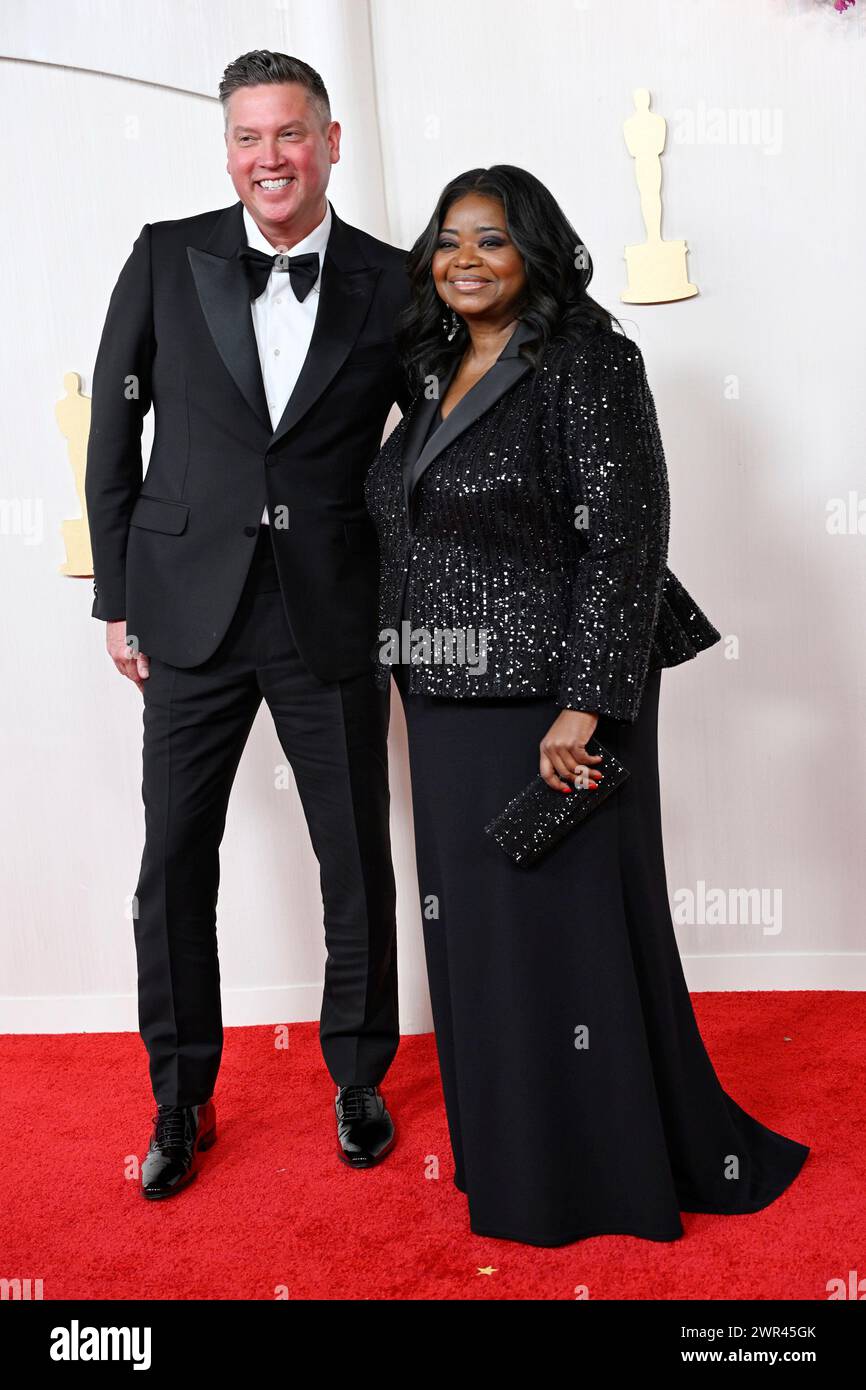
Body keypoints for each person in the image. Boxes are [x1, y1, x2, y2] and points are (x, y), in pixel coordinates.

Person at [364, 165, 810, 1246]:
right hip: (443, 687)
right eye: (449, 241)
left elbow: (624, 539)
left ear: (537, 254)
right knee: (480, 937)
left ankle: (598, 1174)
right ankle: (516, 1161)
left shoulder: (589, 362)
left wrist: (587, 702)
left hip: (552, 697)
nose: (465, 260)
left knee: (562, 932)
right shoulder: (427, 371)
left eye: (493, 241)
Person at [86, 50, 411, 1197]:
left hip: (331, 606)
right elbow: (110, 431)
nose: (267, 157)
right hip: (184, 609)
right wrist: (117, 595)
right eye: (247, 137)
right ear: (227, 148)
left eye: (289, 134)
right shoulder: (165, 254)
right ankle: (180, 1098)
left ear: (330, 142)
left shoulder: (389, 278)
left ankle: (359, 1078)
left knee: (354, 857)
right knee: (173, 860)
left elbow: (426, 443)